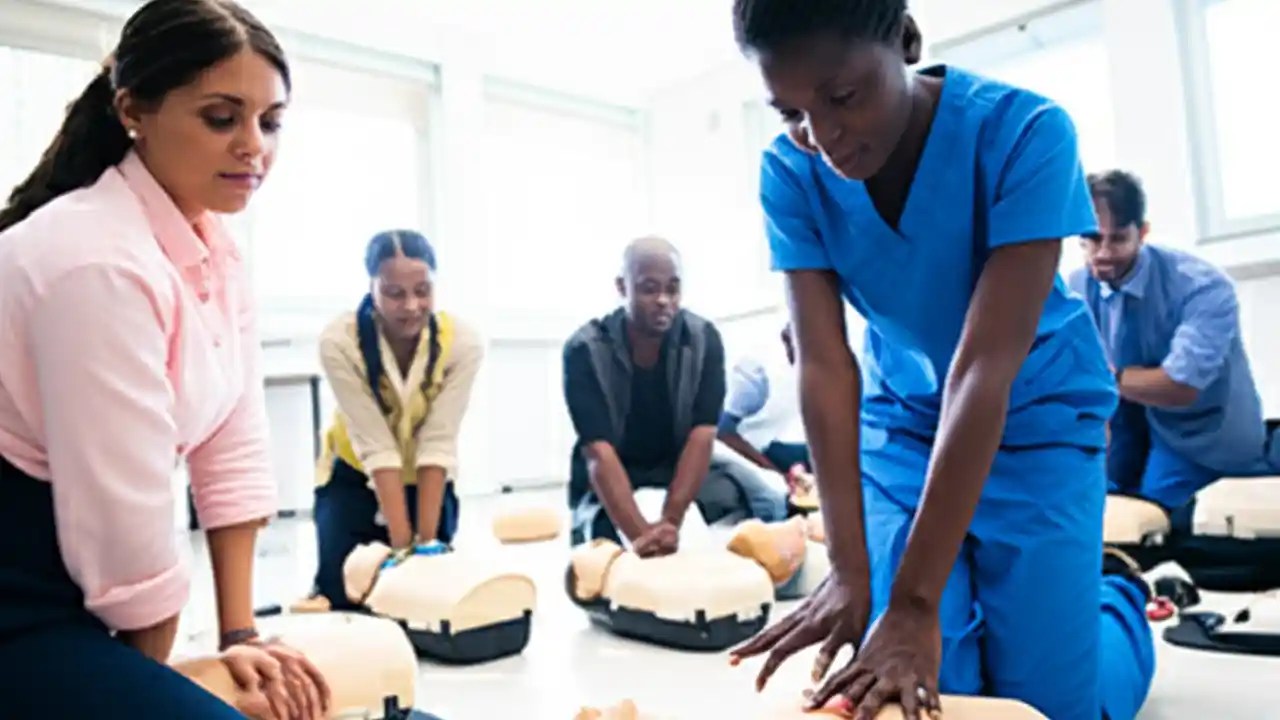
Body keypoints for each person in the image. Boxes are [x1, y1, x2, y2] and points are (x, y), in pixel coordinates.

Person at [724, 3, 1156, 720]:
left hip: (1037, 421)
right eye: (791, 114)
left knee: (1047, 706)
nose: (822, 139)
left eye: (842, 98)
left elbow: (984, 368)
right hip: (905, 431)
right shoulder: (789, 172)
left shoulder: (1026, 133)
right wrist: (850, 571)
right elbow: (826, 368)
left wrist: (915, 600)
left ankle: (1120, 601)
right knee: (930, 680)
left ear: (906, 41)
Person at [0, 0, 329, 717]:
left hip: (80, 575)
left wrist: (243, 632)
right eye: (222, 117)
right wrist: (157, 681)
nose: (254, 146)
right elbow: (125, 533)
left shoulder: (211, 241)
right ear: (133, 111)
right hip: (20, 587)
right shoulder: (92, 259)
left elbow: (232, 440)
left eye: (270, 122)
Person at [1069, 170, 1279, 530]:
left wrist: (1104, 377)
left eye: (1117, 239)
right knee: (1094, 508)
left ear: (1143, 232)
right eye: (1092, 239)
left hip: (1204, 435)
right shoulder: (1077, 287)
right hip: (1126, 428)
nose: (1102, 253)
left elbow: (1179, 387)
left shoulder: (1203, 287)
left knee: (1169, 521)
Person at [306, 229, 483, 611]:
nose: (411, 306)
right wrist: (402, 549)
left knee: (430, 591)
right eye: (394, 293)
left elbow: (439, 439)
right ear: (371, 287)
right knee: (347, 595)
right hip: (354, 476)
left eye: (423, 290)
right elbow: (375, 444)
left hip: (425, 480)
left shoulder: (462, 343)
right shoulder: (340, 341)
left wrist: (426, 546)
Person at [563, 236, 774, 554]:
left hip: (675, 469)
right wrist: (639, 535)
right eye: (649, 288)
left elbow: (702, 435)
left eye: (672, 289)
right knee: (605, 535)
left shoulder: (704, 340)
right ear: (623, 288)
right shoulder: (585, 349)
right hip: (615, 473)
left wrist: (671, 521)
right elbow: (599, 452)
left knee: (735, 499)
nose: (663, 300)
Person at [718, 324, 811, 478]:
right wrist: (775, 475)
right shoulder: (756, 372)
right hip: (761, 453)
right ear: (786, 338)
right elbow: (723, 432)